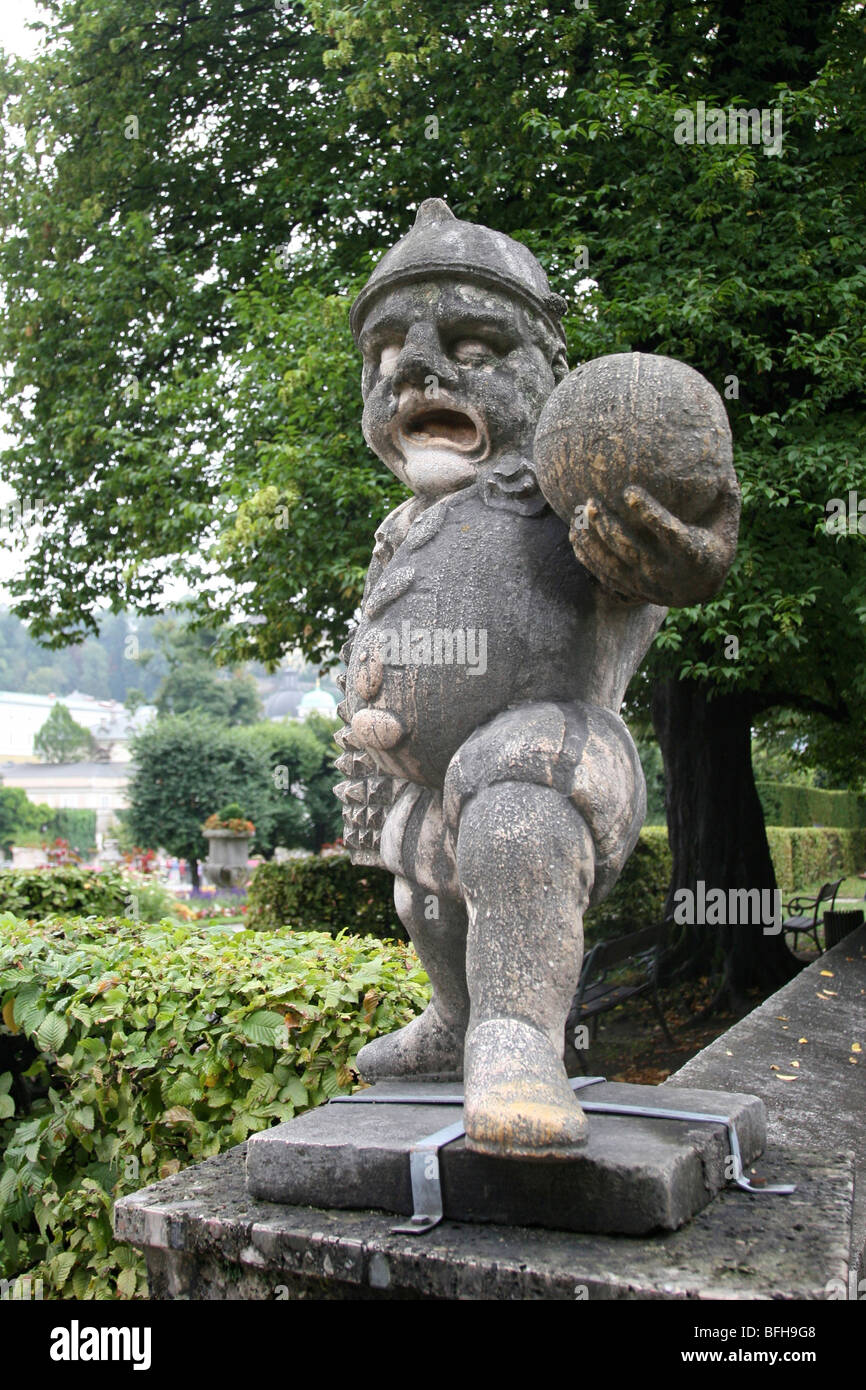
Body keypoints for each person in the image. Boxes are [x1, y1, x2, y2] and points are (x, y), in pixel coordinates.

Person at [335, 199, 738, 1157]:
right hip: (432, 778)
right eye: (387, 350)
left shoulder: (567, 490)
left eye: (472, 346)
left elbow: (679, 563)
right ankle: (457, 1020)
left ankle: (519, 1043)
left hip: (550, 748)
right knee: (422, 895)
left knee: (515, 832)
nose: (416, 369)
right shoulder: (408, 522)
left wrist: (675, 548)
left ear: (549, 376)